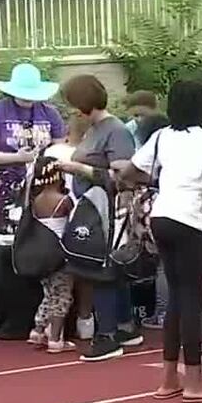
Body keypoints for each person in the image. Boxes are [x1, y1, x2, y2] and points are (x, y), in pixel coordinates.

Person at [114, 80, 202, 401]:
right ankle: (194, 382)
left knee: (177, 299)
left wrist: (162, 180)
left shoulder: (161, 136)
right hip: (191, 221)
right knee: (191, 300)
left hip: (162, 217)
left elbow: (129, 173)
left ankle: (168, 379)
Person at [56, 75, 141, 361]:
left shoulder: (114, 131)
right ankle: (124, 326)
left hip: (108, 209)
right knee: (108, 268)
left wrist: (79, 169)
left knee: (101, 268)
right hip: (94, 206)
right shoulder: (97, 128)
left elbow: (123, 175)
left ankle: (108, 335)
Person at [0, 64, 67, 234]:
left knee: (41, 235)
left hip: (42, 185)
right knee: (4, 235)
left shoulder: (50, 115)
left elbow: (59, 149)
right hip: (5, 184)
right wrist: (17, 157)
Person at [27, 157, 76, 353]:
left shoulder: (35, 200)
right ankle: (55, 338)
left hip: (41, 255)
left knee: (48, 293)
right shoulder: (64, 201)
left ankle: (38, 329)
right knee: (63, 295)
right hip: (60, 255)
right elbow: (72, 224)